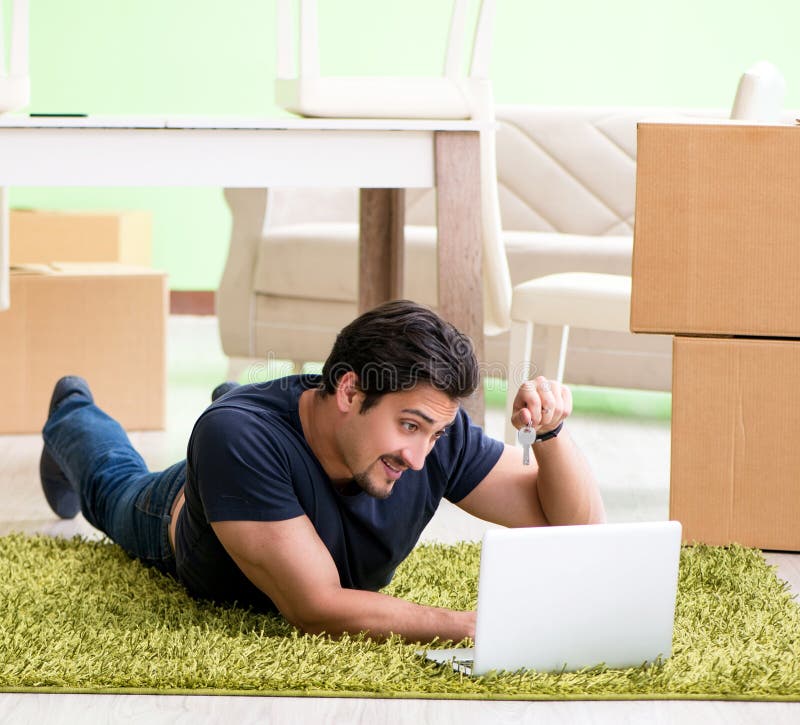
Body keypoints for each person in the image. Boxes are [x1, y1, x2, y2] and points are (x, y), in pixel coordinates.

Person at [40, 299, 605, 643]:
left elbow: (577, 532)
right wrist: (469, 625)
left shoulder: (434, 429)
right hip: (185, 513)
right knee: (111, 484)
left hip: (262, 448)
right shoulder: (238, 441)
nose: (419, 457)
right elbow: (316, 607)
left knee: (244, 425)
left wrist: (551, 435)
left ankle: (238, 397)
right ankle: (72, 410)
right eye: (408, 427)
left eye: (432, 434)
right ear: (350, 389)